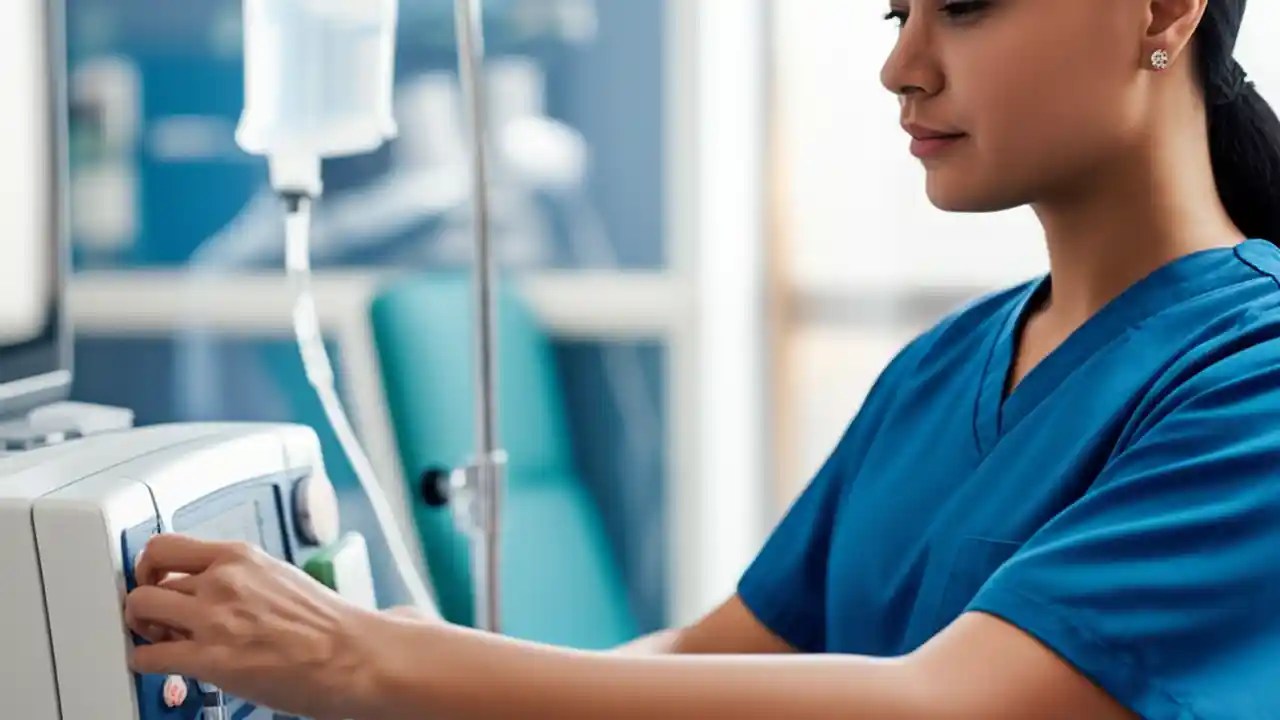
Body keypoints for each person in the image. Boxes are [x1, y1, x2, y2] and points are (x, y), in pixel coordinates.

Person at [125, 1, 1280, 717]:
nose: (901, 65)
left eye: (964, 7)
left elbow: (944, 707)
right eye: (895, 13)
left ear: (1161, 12)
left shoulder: (1248, 375)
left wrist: (363, 661)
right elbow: (707, 653)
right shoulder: (942, 370)